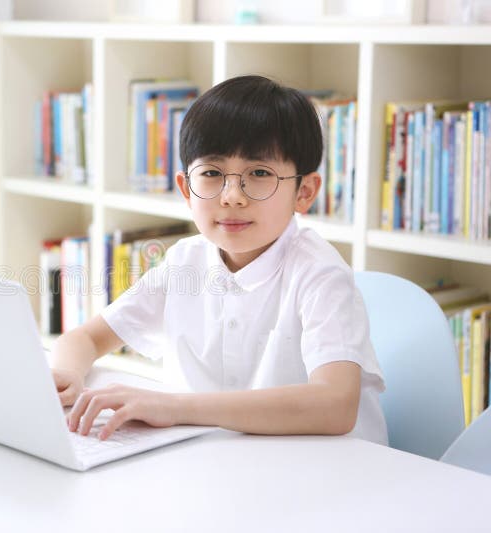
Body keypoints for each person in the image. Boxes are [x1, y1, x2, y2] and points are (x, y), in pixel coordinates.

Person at [50, 75, 387, 445]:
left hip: (329, 471)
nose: (231, 196)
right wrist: (67, 374)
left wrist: (177, 407)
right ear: (185, 188)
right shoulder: (185, 262)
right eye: (211, 173)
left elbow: (335, 405)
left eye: (259, 173)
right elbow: (87, 338)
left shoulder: (319, 273)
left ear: (303, 192)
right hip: (220, 460)